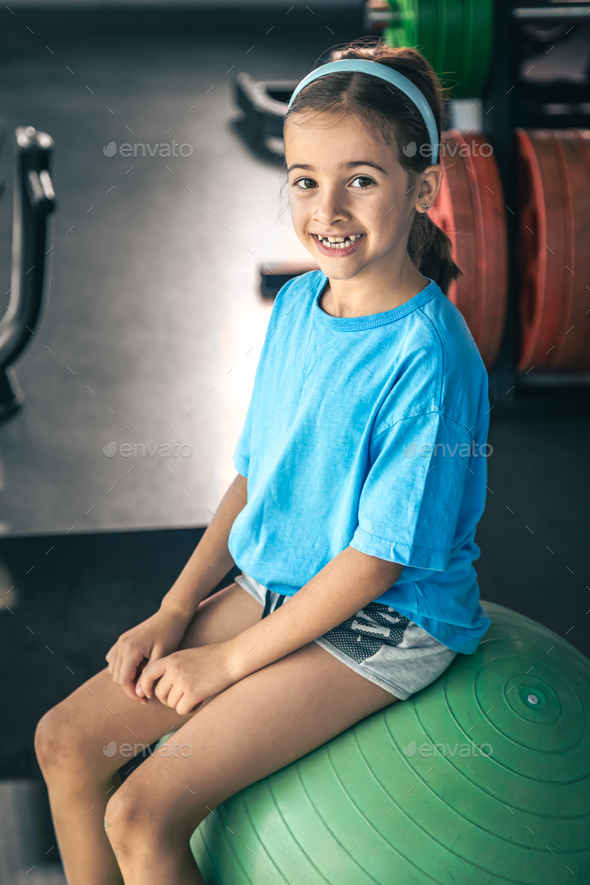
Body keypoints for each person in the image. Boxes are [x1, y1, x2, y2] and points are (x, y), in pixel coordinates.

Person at [34, 37, 491, 885]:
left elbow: (377, 561)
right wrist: (174, 611)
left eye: (363, 178)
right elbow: (254, 475)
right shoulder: (294, 304)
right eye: (306, 180)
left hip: (385, 619)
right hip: (272, 582)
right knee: (64, 743)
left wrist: (225, 663)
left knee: (144, 811)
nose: (329, 207)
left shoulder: (429, 357)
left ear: (422, 190)